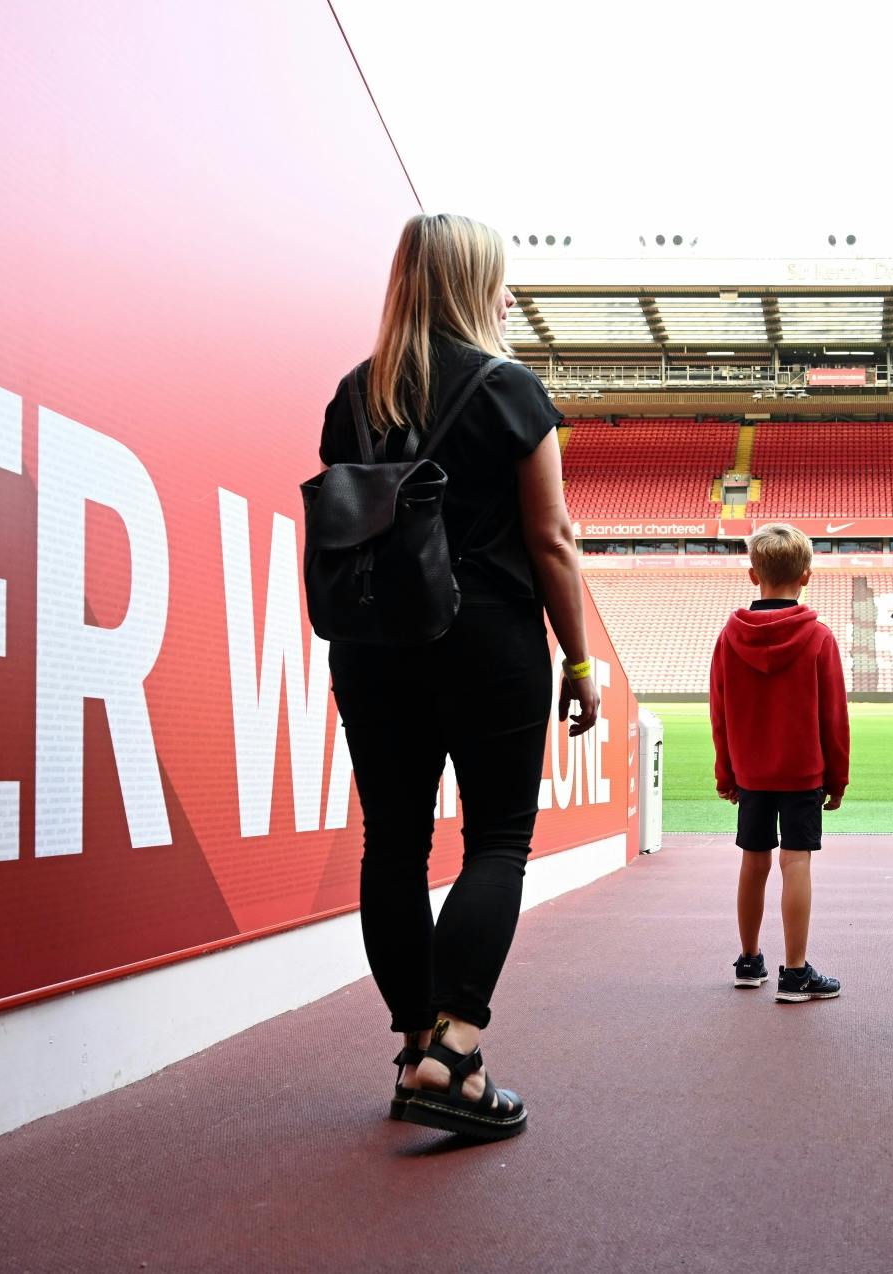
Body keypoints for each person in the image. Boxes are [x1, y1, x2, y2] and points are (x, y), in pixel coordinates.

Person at [321, 213, 599, 1141]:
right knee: (497, 842)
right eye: (503, 279)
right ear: (476, 285)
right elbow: (551, 539)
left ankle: (414, 1049)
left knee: (392, 846)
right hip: (487, 640)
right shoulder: (510, 388)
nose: (511, 293)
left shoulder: (353, 397)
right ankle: (455, 1052)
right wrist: (582, 658)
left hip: (372, 646)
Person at [710, 524, 850, 1002]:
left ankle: (749, 961)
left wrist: (725, 771)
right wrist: (838, 776)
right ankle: (794, 973)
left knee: (754, 862)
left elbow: (720, 710)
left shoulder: (729, 638)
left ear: (754, 575)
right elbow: (834, 716)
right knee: (796, 863)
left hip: (751, 771)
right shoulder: (819, 638)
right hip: (802, 770)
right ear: (806, 576)